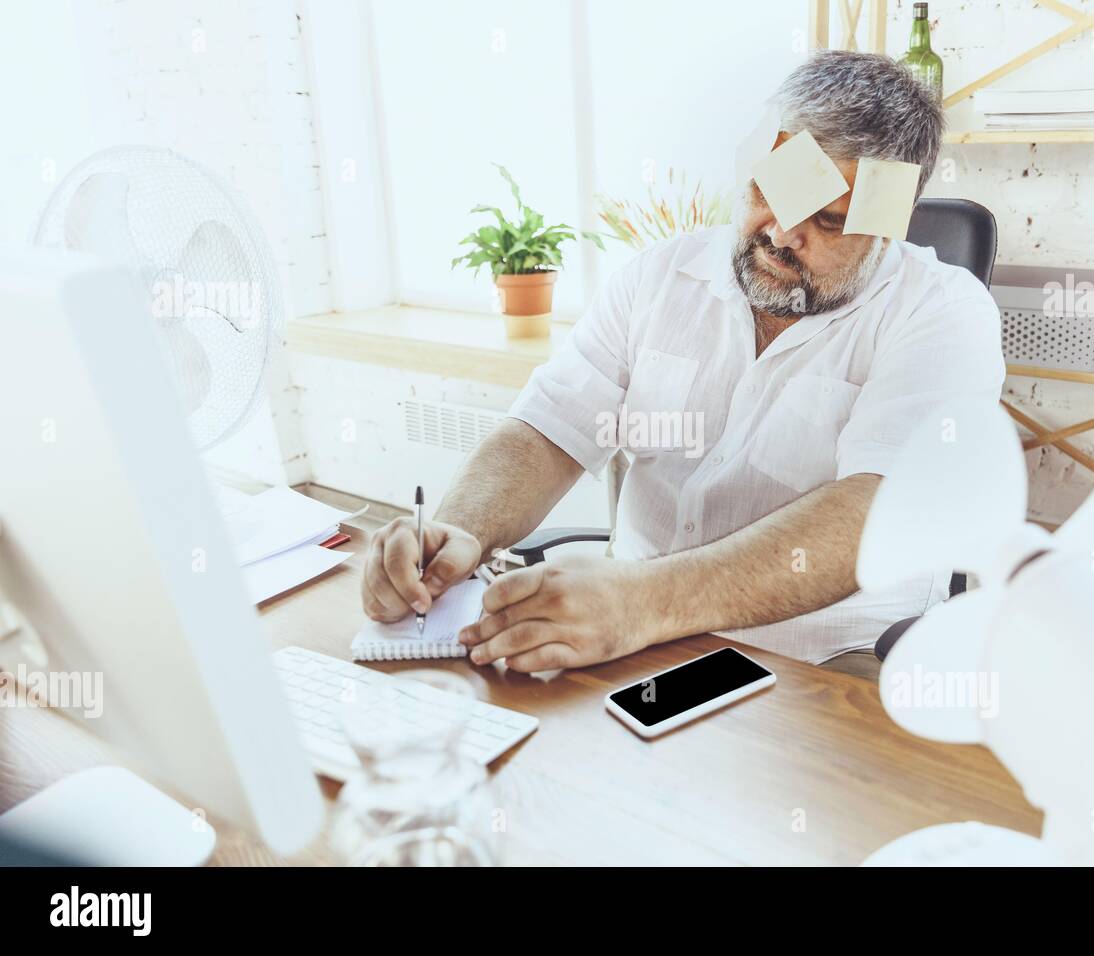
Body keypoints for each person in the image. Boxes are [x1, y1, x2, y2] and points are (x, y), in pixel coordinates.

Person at [361, 50, 1005, 674]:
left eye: (830, 221)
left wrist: (644, 601)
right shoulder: (659, 276)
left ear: (892, 224)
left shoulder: (944, 314)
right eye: (767, 191)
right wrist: (459, 533)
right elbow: (548, 428)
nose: (781, 233)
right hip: (628, 639)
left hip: (824, 659)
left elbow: (880, 509)